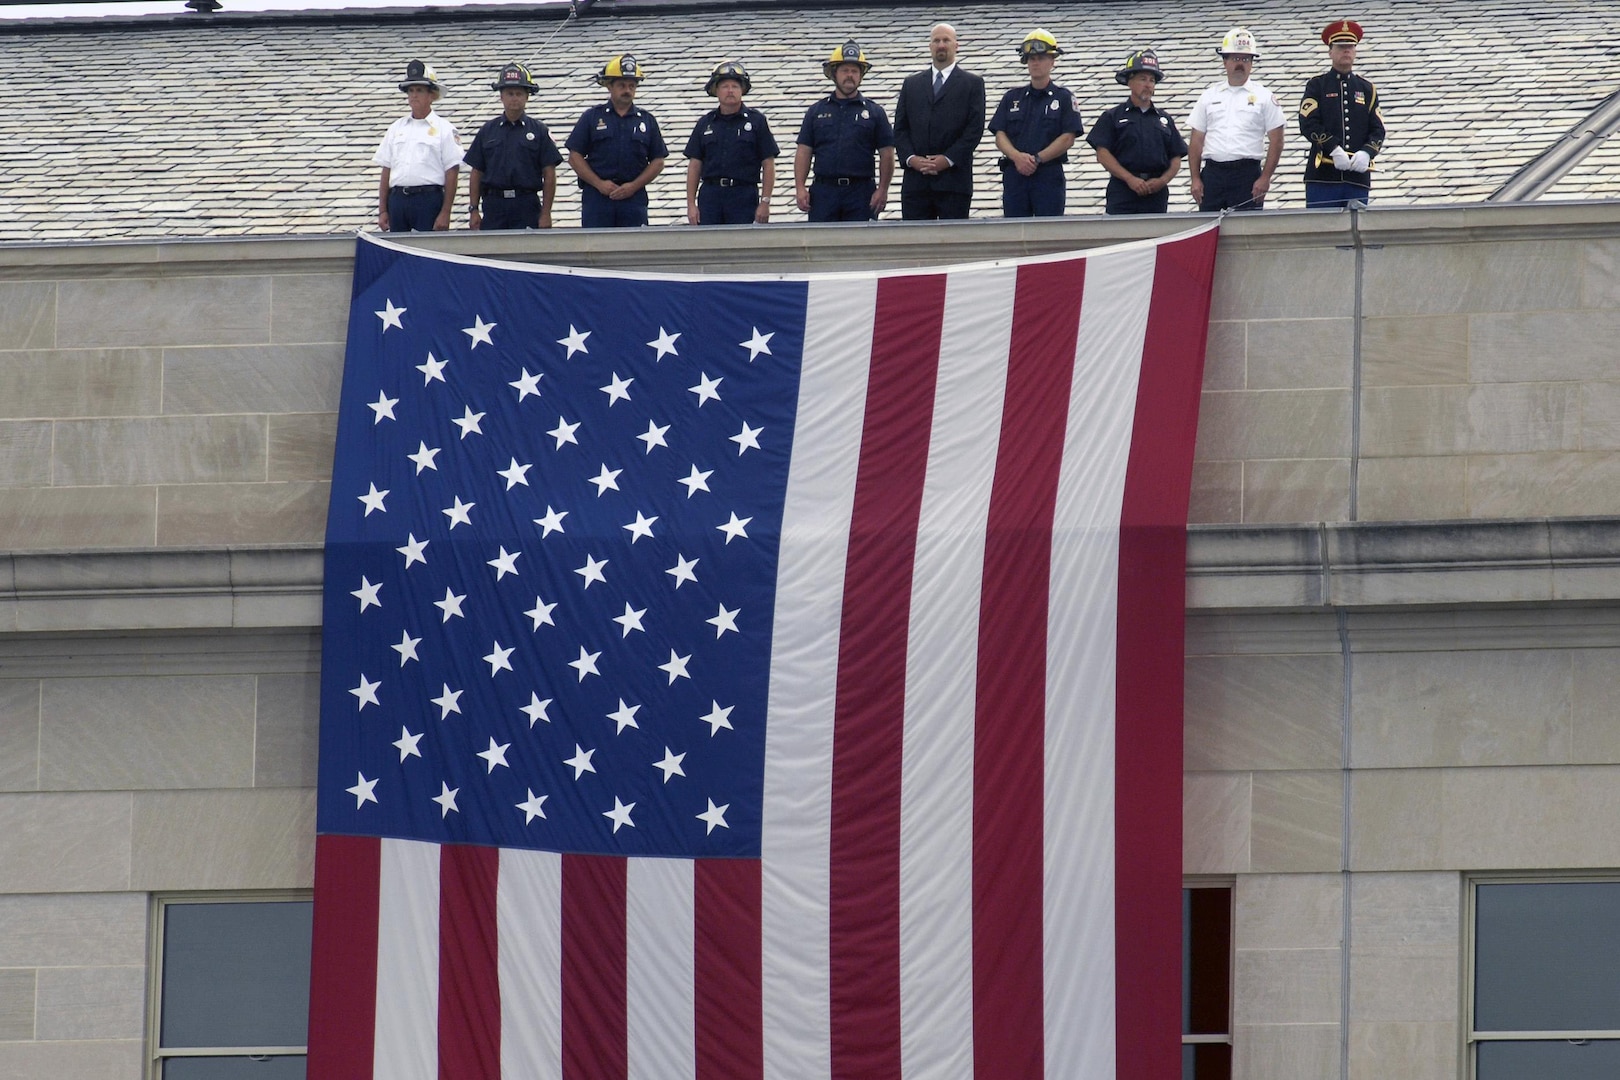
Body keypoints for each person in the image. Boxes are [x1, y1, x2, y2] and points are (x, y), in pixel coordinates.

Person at [793, 41, 896, 222]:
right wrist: (800, 187)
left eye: (855, 71)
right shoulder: (815, 112)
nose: (850, 76)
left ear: (861, 75)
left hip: (861, 193)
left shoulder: (875, 112)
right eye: (845, 70)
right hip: (824, 193)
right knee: (821, 246)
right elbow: (804, 152)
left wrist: (882, 190)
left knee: (861, 247)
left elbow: (887, 154)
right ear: (834, 74)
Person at [1186, 28, 1286, 211]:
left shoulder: (1264, 96)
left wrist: (1265, 178)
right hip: (1213, 175)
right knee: (1210, 231)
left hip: (1247, 176)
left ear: (1252, 63)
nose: (1240, 64)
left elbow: (1277, 141)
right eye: (1235, 58)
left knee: (1247, 234)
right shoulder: (1208, 96)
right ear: (1225, 61)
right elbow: (1195, 141)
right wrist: (1195, 179)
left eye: (1245, 59)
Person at [893, 23, 985, 220]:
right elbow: (900, 129)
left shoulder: (973, 84)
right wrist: (912, 159)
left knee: (952, 246)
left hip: (954, 183)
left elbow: (974, 130)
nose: (941, 45)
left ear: (956, 45)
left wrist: (947, 160)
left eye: (946, 40)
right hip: (916, 184)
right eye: (936, 40)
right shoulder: (911, 84)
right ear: (930, 46)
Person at [987, 29, 1083, 218]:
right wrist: (1017, 157)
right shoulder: (1011, 98)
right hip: (1015, 175)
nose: (1035, 62)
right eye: (1031, 58)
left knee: (1048, 233)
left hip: (1048, 175)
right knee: (1014, 233)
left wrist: (1037, 159)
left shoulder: (1064, 98)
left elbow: (1068, 137)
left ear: (1052, 61)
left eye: (1040, 57)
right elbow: (999, 134)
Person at [565, 54, 667, 228]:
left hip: (633, 199)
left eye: (631, 85)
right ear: (609, 86)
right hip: (597, 198)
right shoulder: (591, 117)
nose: (627, 90)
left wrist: (633, 186)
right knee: (596, 249)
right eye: (621, 85)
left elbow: (658, 161)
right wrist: (599, 184)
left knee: (634, 250)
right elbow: (574, 157)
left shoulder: (647, 120)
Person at [464, 62, 562, 230]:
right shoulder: (487, 131)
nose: (514, 98)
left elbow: (549, 174)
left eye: (519, 93)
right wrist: (473, 210)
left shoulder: (539, 131)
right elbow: (476, 173)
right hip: (494, 205)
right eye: (510, 93)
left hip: (526, 205)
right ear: (501, 96)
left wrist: (546, 213)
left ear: (527, 97)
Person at [1087, 49, 1186, 214]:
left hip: (1156, 194)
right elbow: (1102, 154)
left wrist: (1162, 181)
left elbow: (1176, 157)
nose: (1148, 85)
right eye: (1142, 79)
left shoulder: (1165, 120)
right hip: (1122, 191)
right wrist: (1129, 179)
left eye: (1152, 80)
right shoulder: (1112, 116)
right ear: (1129, 82)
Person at [1299, 19, 1385, 208]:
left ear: (1355, 51)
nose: (1346, 50)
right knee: (1323, 231)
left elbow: (1378, 130)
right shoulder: (1317, 86)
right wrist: (1333, 148)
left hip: (1357, 178)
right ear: (1331, 52)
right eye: (1341, 46)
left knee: (1355, 233)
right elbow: (1308, 122)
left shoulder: (1367, 89)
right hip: (1323, 177)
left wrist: (1367, 152)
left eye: (1350, 47)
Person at [684, 61, 779, 225]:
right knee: (710, 246)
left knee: (743, 246)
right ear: (716, 91)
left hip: (743, 195)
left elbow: (768, 163)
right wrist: (691, 204)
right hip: (710, 196)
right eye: (725, 86)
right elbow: (694, 165)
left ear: (742, 90)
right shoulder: (705, 123)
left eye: (735, 86)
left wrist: (765, 202)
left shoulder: (757, 122)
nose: (730, 91)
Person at [373, 60, 462, 232]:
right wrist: (383, 210)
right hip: (398, 200)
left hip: (428, 200)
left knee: (429, 251)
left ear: (432, 95)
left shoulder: (445, 129)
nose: (414, 95)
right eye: (411, 91)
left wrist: (445, 212)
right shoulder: (396, 128)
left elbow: (452, 171)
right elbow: (386, 169)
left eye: (419, 90)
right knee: (398, 253)